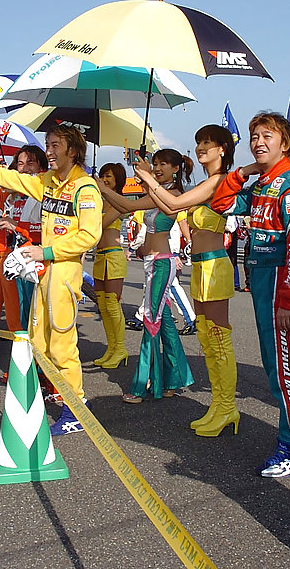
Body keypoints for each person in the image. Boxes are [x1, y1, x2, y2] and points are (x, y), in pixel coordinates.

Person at [0, 125, 102, 436]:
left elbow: (90, 235)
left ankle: (76, 408)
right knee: (39, 341)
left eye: (54, 145)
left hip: (63, 272)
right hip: (44, 271)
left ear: (72, 151)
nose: (47, 151)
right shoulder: (47, 182)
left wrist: (45, 250)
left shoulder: (85, 188)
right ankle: (54, 394)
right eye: (47, 144)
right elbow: (13, 179)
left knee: (62, 345)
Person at [212, 112, 290, 477]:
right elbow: (221, 205)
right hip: (262, 282)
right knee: (283, 367)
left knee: (282, 371)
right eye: (254, 136)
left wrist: (289, 300)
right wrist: (242, 172)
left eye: (267, 136)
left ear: (285, 143)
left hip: (278, 284)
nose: (259, 143)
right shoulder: (262, 185)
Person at [132, 124, 239, 437]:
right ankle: (218, 406)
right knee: (206, 337)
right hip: (201, 266)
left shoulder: (220, 181)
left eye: (208, 142)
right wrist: (148, 182)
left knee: (219, 338)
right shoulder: (206, 183)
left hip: (217, 266)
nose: (201, 147)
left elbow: (176, 204)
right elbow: (167, 206)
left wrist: (150, 178)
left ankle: (227, 406)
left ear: (223, 149)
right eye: (199, 141)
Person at [98, 148, 195, 404]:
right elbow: (125, 206)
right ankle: (174, 380)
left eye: (164, 164)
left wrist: (103, 187)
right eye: (155, 163)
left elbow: (128, 204)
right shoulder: (155, 192)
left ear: (176, 168)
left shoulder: (172, 194)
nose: (158, 167)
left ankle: (142, 385)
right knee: (164, 323)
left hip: (163, 263)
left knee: (151, 321)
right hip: (151, 263)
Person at [0, 145, 47, 329]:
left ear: (41, 166)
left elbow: (41, 232)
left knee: (36, 313)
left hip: (37, 260)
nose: (24, 168)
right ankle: (25, 352)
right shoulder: (14, 197)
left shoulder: (43, 193)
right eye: (20, 163)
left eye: (30, 163)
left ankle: (37, 355)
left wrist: (15, 226)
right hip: (17, 258)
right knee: (21, 311)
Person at [91, 162, 130, 369]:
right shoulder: (98, 200)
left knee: (113, 306)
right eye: (103, 176)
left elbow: (100, 225)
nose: (105, 180)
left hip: (114, 257)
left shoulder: (118, 202)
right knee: (103, 306)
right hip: (99, 256)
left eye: (109, 177)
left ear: (118, 180)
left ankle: (121, 348)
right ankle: (111, 347)